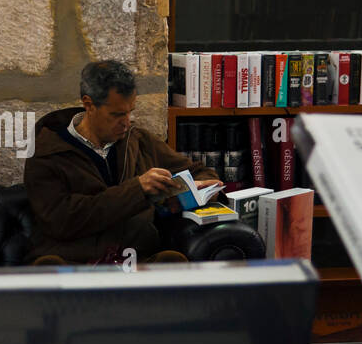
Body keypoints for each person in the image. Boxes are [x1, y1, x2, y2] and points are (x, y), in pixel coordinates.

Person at [24, 60, 221, 264]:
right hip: (74, 262)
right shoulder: (47, 152)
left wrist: (203, 189)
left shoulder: (139, 140)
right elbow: (61, 220)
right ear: (89, 105)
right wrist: (137, 190)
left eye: (130, 112)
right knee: (48, 267)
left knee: (173, 261)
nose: (126, 122)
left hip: (134, 260)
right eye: (117, 114)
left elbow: (201, 173)